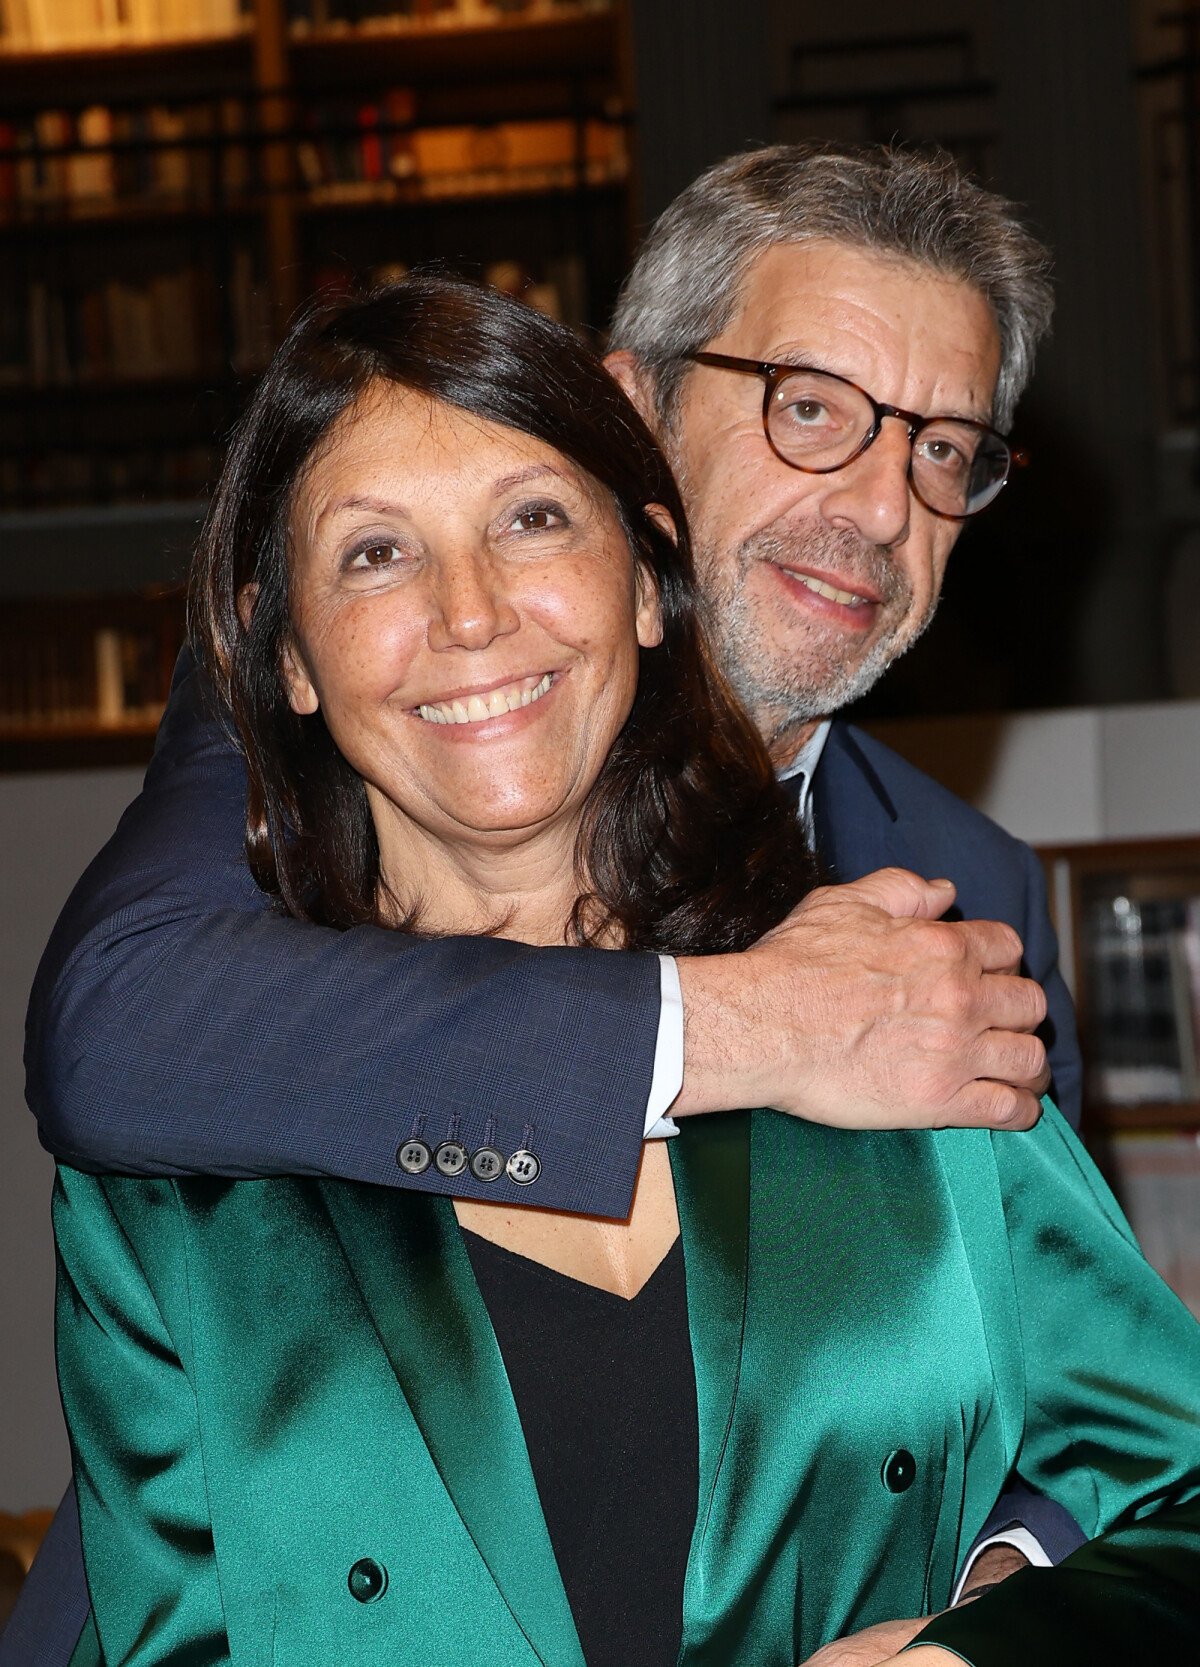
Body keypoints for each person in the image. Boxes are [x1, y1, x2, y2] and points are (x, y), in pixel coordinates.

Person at [11, 144, 1069, 1664]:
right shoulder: (342, 707)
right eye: (811, 409)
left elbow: (1074, 1408)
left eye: (945, 448)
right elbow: (119, 1030)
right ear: (630, 410)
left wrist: (993, 1604)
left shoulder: (970, 885)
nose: (877, 508)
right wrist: (724, 1026)